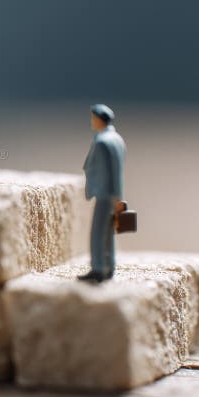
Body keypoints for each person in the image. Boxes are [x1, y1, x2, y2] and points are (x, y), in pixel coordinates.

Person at [79, 104, 127, 283]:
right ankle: (109, 264)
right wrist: (119, 196)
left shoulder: (102, 142)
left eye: (93, 118)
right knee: (108, 231)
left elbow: (112, 171)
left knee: (98, 232)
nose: (92, 122)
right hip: (111, 193)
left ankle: (99, 267)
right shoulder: (117, 140)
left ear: (99, 119)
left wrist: (116, 197)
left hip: (104, 192)